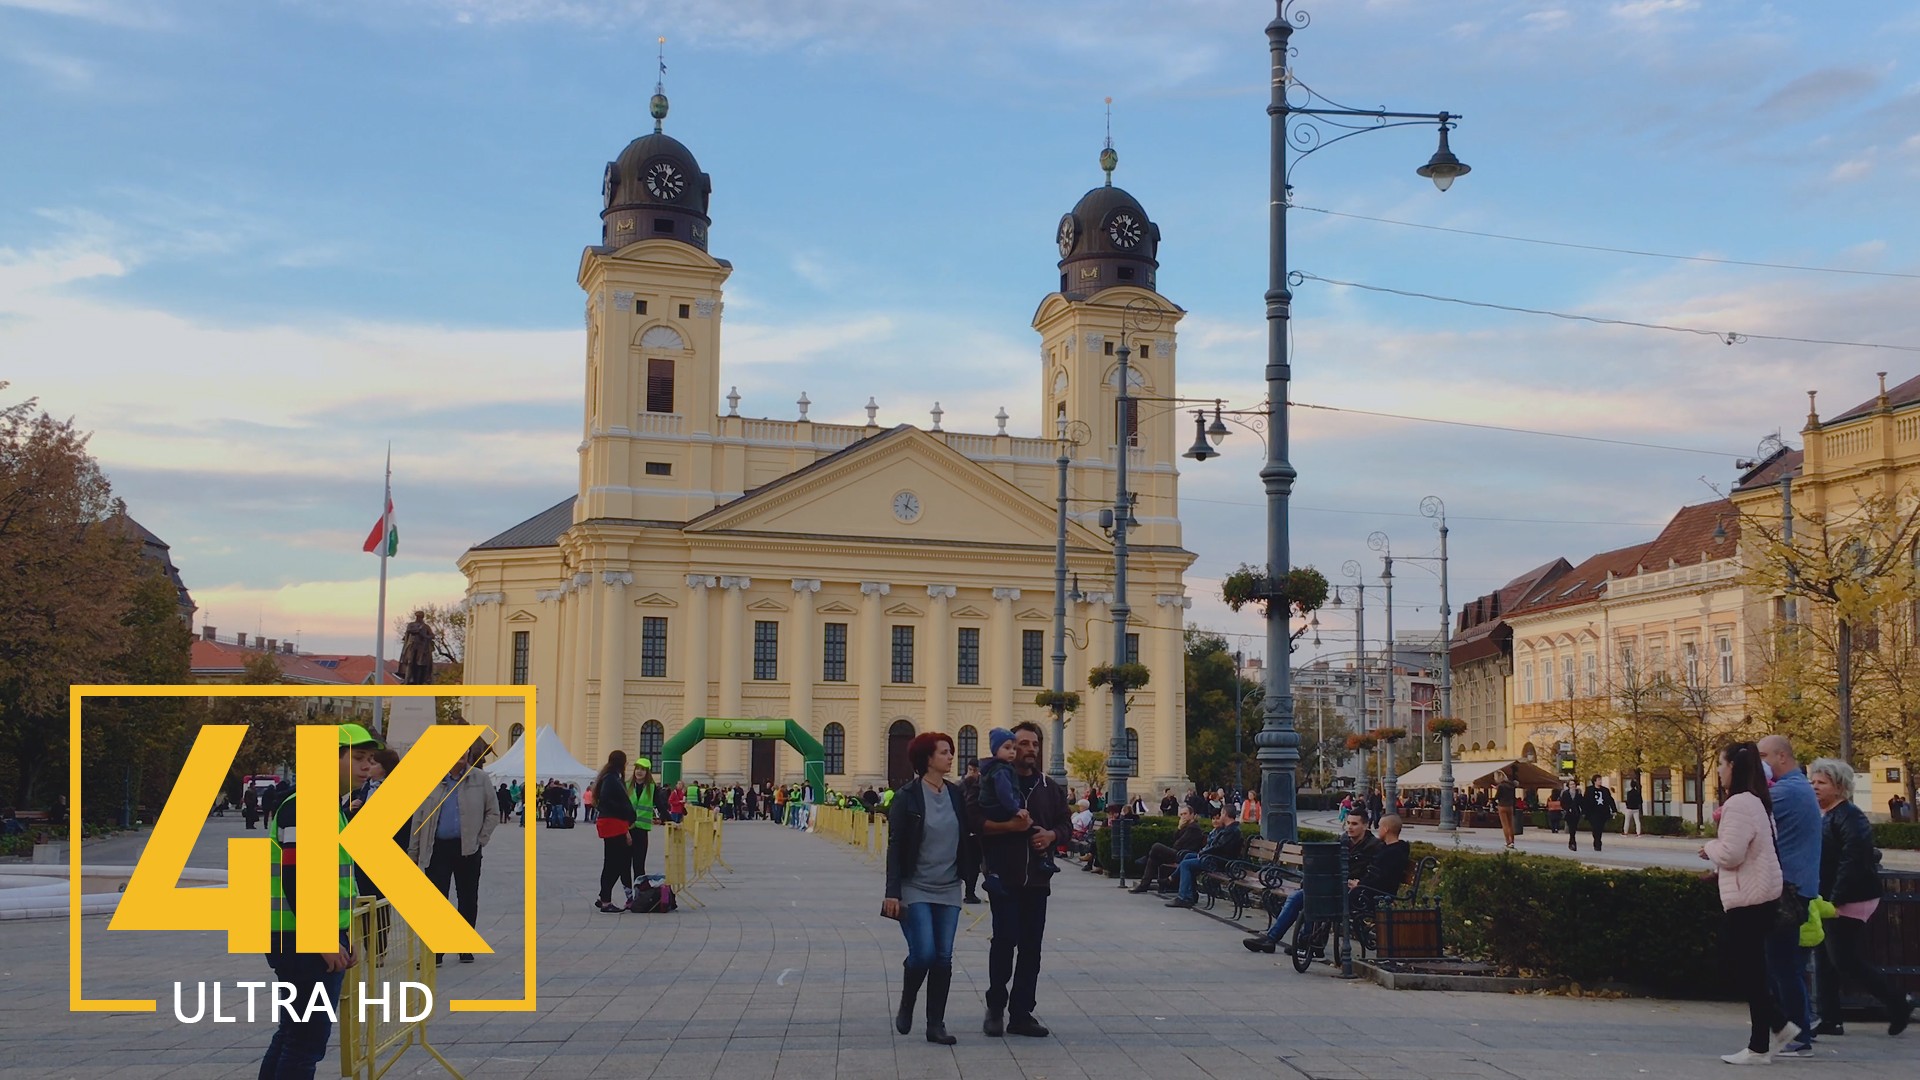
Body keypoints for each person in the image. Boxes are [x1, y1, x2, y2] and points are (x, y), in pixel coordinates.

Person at [260, 723, 383, 1080]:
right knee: (305, 1044)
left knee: (293, 1036)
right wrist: (324, 938)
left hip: (301, 936)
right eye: (358, 758)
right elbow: (296, 877)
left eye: (370, 759)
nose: (367, 766)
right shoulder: (309, 804)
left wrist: (343, 933)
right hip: (301, 940)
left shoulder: (326, 805)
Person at [968, 721, 1069, 1038]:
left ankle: (1021, 1013)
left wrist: (1051, 836)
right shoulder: (992, 779)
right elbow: (974, 821)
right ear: (1009, 747)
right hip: (1005, 877)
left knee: (1031, 948)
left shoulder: (1049, 787)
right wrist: (1009, 827)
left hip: (1037, 880)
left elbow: (1065, 825)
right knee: (1004, 942)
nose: (1029, 749)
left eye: (1034, 744)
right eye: (1023, 743)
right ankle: (995, 1008)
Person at [1698, 741, 1795, 1065]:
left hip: (1749, 897)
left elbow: (1731, 853)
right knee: (1752, 968)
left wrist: (1709, 848)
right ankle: (1774, 1030)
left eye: (1721, 764)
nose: (1719, 771)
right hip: (1761, 894)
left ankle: (1763, 1042)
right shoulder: (1757, 801)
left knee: (1743, 967)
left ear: (1733, 768)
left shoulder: (1739, 803)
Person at [1807, 757, 1912, 1039]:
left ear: (1839, 786)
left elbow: (1853, 859)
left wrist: (1835, 899)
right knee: (1825, 959)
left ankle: (1897, 1002)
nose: (1814, 786)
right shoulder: (1827, 815)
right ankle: (1830, 1019)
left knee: (1843, 960)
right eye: (1813, 781)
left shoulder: (1850, 816)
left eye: (1821, 782)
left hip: (1849, 897)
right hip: (1830, 896)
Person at [884, 731, 968, 1045]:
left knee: (943, 958)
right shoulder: (907, 796)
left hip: (949, 886)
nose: (950, 756)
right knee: (924, 954)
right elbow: (895, 846)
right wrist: (892, 891)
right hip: (915, 886)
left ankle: (936, 1024)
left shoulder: (955, 794)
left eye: (950, 751)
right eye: (944, 752)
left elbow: (967, 836)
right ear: (927, 759)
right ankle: (908, 1001)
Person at [1757, 735, 1821, 1056]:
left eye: (1763, 756)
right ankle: (1795, 1029)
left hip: (1787, 890)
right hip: (1796, 888)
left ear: (1782, 756)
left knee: (1782, 966)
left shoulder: (1786, 792)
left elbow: (1745, 816)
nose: (1759, 762)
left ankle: (1797, 1033)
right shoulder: (1797, 788)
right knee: (1785, 965)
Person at [1243, 810, 1382, 954]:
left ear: (1365, 825)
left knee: (1315, 899)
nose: (1350, 827)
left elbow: (1375, 873)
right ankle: (1271, 939)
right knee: (1297, 897)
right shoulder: (1342, 840)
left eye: (1354, 824)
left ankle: (1307, 942)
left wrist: (1360, 883)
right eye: (1348, 823)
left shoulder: (1374, 846)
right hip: (1330, 887)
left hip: (1353, 893)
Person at [408, 750, 499, 966]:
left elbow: (493, 812)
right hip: (437, 847)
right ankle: (435, 952)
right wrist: (414, 851)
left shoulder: (480, 779)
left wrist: (481, 839)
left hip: (468, 847)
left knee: (468, 898)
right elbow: (419, 817)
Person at [1163, 804, 1245, 910]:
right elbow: (1217, 846)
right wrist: (1203, 853)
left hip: (1219, 862)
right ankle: (1190, 894)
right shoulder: (1228, 829)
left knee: (1186, 865)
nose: (1220, 816)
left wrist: (1202, 853)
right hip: (1215, 858)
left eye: (1221, 814)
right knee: (1188, 856)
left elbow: (1218, 847)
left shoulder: (1232, 831)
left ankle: (1184, 897)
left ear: (1225, 814)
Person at [1131, 804, 1208, 893]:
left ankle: (1145, 860)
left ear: (1192, 815)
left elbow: (1177, 844)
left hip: (1185, 855)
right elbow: (1175, 840)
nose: (1183, 816)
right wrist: (1179, 828)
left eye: (1185, 814)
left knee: (1156, 846)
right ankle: (1144, 885)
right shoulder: (1185, 827)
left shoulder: (1193, 827)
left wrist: (1179, 831)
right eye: (1181, 814)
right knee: (1154, 858)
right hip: (1180, 853)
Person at [627, 758, 663, 888]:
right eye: (637, 768)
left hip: (641, 831)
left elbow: (660, 805)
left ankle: (639, 892)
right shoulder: (626, 785)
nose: (639, 771)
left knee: (639, 865)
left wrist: (671, 820)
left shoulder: (652, 788)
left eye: (642, 769)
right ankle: (629, 893)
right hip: (627, 830)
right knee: (625, 865)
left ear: (647, 772)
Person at [1583, 775, 1617, 852]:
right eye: (1598, 780)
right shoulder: (1589, 790)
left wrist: (1614, 810)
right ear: (1594, 781)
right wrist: (1584, 812)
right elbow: (1585, 801)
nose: (1600, 781)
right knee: (1595, 827)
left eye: (1600, 780)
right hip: (1593, 813)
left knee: (1600, 828)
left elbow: (1610, 800)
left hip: (1603, 812)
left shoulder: (1605, 790)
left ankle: (1598, 840)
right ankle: (1597, 843)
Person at [1558, 777, 1584, 851]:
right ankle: (1573, 843)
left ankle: (1571, 842)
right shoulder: (1565, 793)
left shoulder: (1578, 793)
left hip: (1576, 813)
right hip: (1569, 813)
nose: (1572, 786)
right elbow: (1562, 803)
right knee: (1571, 828)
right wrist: (1567, 808)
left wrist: (1583, 811)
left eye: (1573, 784)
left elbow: (1581, 802)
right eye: (1571, 784)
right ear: (1568, 785)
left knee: (1574, 828)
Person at [1495, 771, 1517, 849]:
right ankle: (1512, 841)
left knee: (1505, 825)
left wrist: (1496, 789)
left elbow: (1497, 797)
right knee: (1511, 824)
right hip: (1510, 806)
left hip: (1502, 805)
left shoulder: (1500, 786)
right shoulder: (1511, 785)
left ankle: (1508, 842)